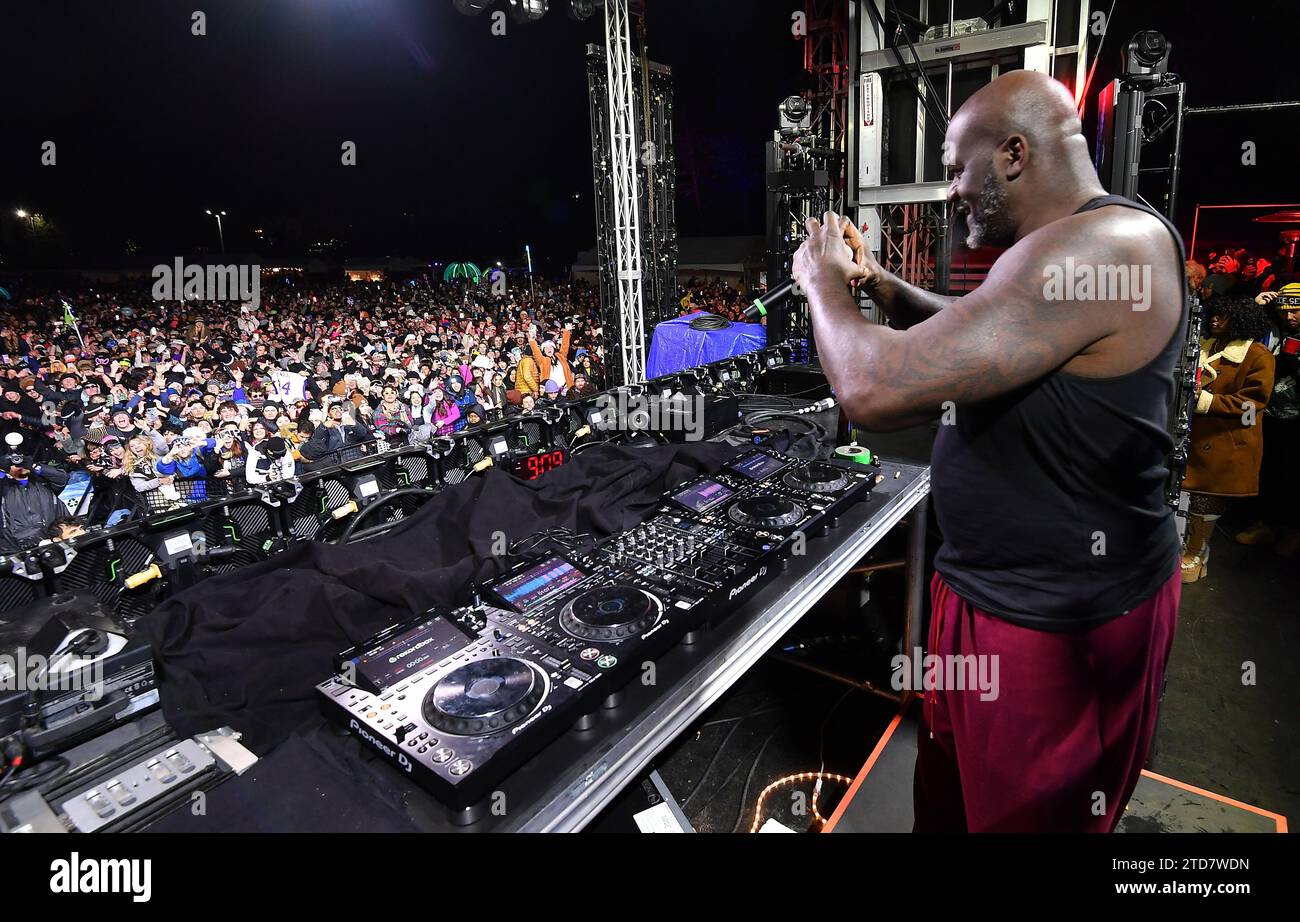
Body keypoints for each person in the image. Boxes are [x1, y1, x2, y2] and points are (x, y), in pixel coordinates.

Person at [793, 71, 1184, 832]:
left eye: (953, 168)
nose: (947, 193)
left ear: (1011, 153)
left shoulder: (1105, 247)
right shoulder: (1067, 251)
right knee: (949, 808)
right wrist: (876, 283)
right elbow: (987, 334)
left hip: (1055, 629)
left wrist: (824, 288)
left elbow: (868, 387)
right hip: (994, 600)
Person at [1175, 294, 1275, 580]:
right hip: (1193, 436)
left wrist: (1206, 401)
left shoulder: (1257, 354)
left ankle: (1197, 552)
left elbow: (1253, 404)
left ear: (1242, 318)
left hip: (1227, 441)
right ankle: (1184, 547)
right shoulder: (1203, 346)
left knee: (1206, 501)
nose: (1216, 319)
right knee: (1185, 498)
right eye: (1214, 313)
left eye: (1225, 315)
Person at [1236, 284, 1300, 555]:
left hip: (1297, 420)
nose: (1289, 317)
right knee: (1266, 471)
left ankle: (1294, 531)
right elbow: (1237, 332)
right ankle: (1266, 525)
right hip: (1268, 414)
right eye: (1283, 311)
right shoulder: (1274, 330)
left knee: (1294, 476)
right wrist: (1257, 305)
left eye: (1295, 311)